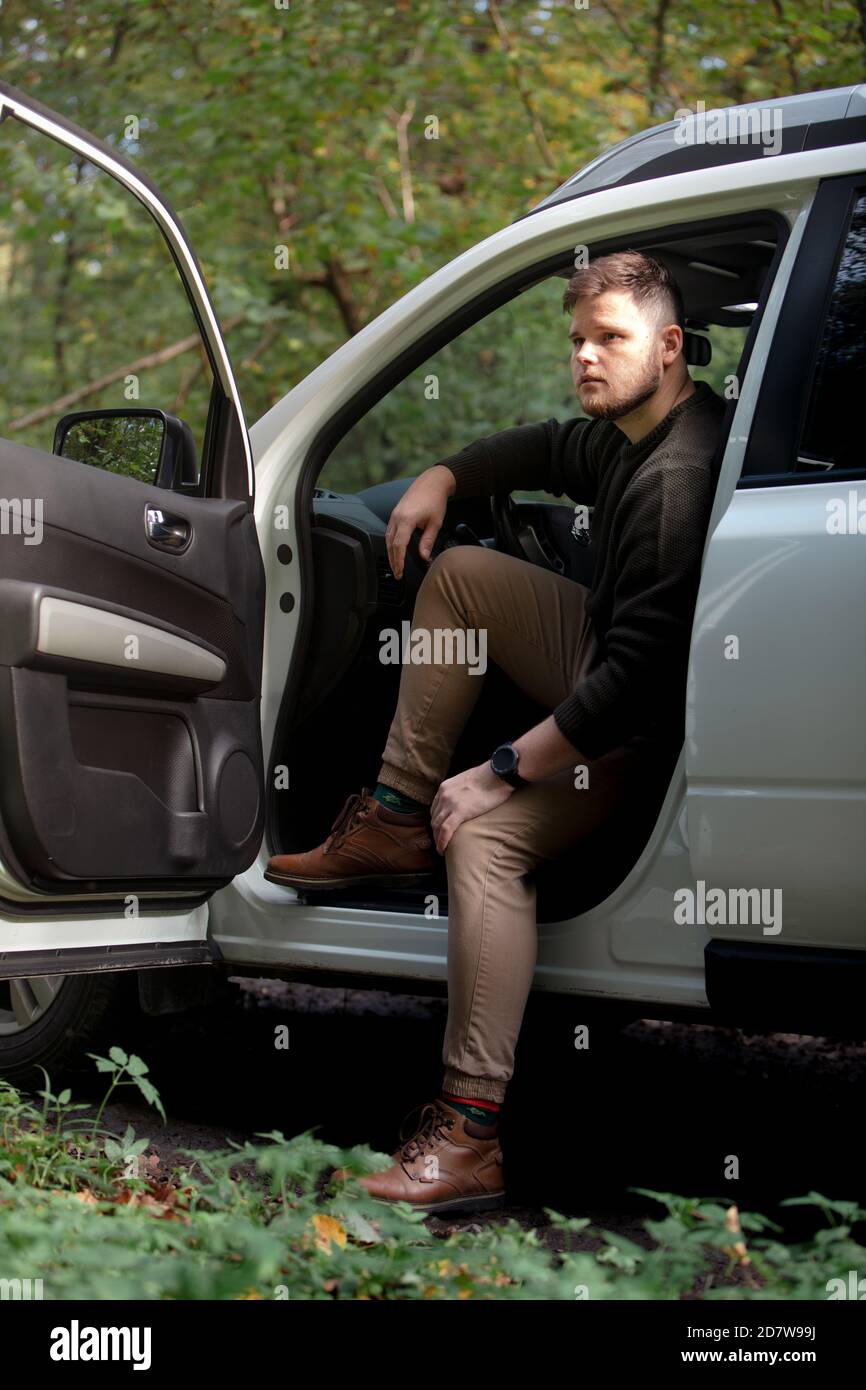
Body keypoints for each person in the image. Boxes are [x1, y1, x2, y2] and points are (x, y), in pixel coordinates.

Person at [265, 250, 727, 1215]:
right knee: (465, 577)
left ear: (672, 346)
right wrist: (443, 472)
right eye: (578, 341)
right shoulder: (637, 428)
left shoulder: (677, 479)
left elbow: (637, 684)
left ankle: (468, 1134)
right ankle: (391, 816)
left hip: (644, 730)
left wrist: (501, 771)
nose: (588, 360)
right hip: (607, 662)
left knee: (480, 839)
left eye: (612, 340)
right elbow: (551, 448)